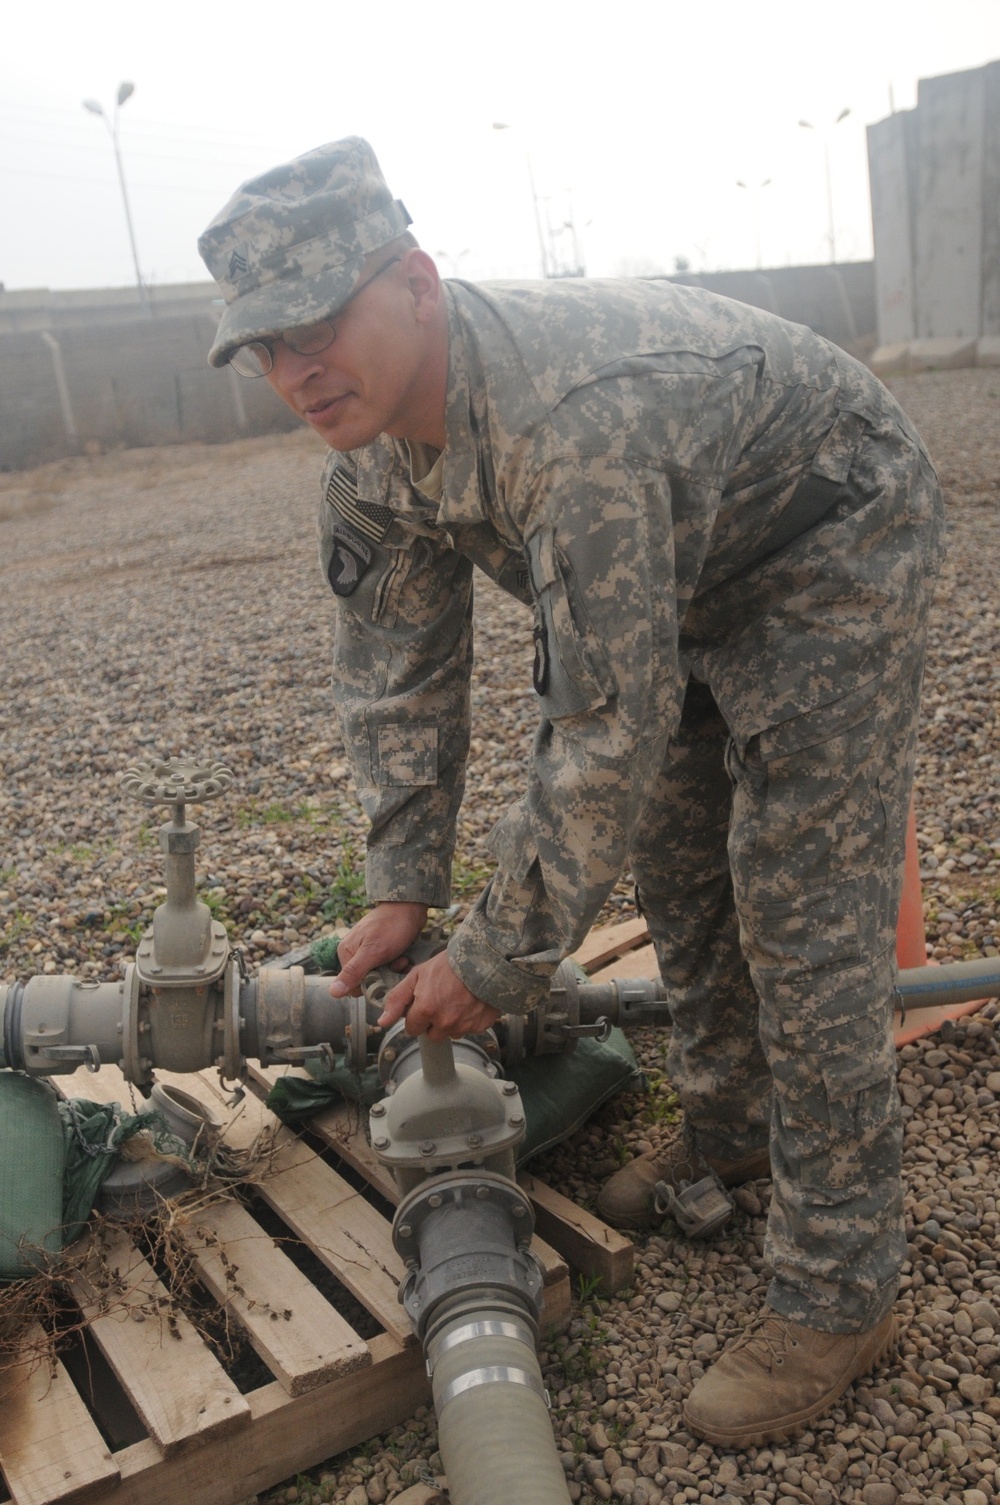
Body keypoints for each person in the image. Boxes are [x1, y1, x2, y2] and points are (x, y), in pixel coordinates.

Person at [198, 137, 944, 1446]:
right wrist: (404, 885)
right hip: (688, 563)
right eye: (266, 347)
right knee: (678, 862)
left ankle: (842, 1286)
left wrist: (498, 954)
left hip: (826, 534)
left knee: (800, 905)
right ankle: (735, 1132)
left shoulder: (570, 418)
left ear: (417, 283)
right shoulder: (368, 455)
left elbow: (605, 724)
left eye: (317, 325)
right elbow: (397, 673)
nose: (296, 370)